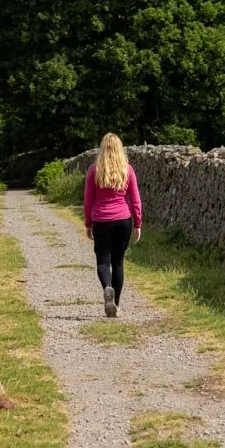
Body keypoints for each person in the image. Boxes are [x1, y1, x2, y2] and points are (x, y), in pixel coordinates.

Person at [83, 133, 142, 318]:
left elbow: (88, 201)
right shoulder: (127, 170)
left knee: (103, 261)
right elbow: (135, 199)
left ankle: (107, 287)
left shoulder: (94, 170)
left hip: (101, 220)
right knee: (118, 262)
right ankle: (115, 304)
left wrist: (88, 223)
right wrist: (137, 223)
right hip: (123, 220)